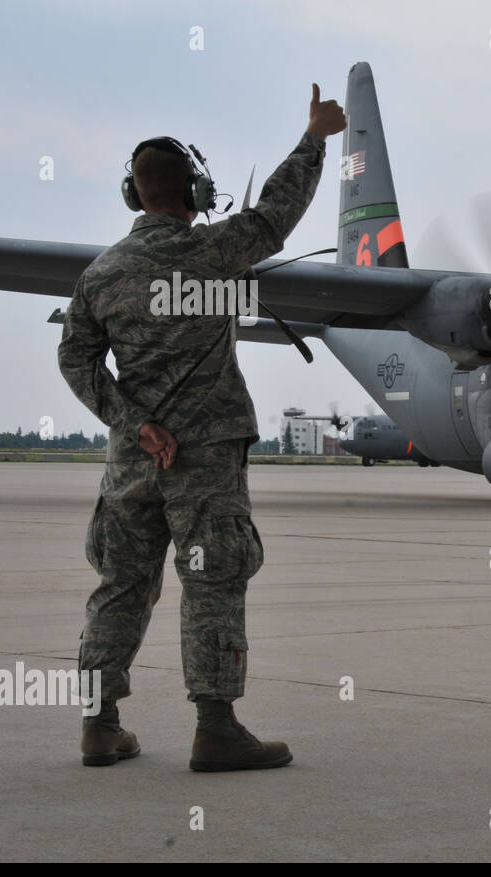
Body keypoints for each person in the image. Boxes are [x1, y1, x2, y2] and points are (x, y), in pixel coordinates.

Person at [58, 84, 346, 770]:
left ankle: (100, 724)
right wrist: (314, 137)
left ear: (135, 194)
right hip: (206, 459)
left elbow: (75, 358)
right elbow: (276, 215)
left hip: (134, 463)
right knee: (212, 579)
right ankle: (216, 728)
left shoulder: (101, 274)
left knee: (121, 585)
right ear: (193, 189)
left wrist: (135, 424)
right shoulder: (215, 252)